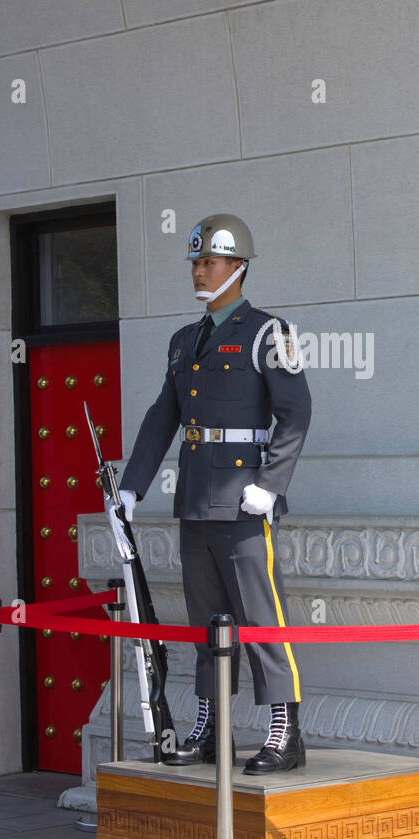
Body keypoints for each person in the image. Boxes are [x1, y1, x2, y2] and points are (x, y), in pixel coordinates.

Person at [112, 214, 311, 774]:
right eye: (196, 261)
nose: (199, 270)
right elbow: (162, 419)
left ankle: (283, 730)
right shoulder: (183, 341)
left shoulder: (267, 333)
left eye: (210, 261)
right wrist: (132, 489)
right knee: (208, 621)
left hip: (245, 498)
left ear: (238, 267)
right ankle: (210, 725)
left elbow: (297, 414)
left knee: (260, 615)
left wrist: (270, 487)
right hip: (196, 498)